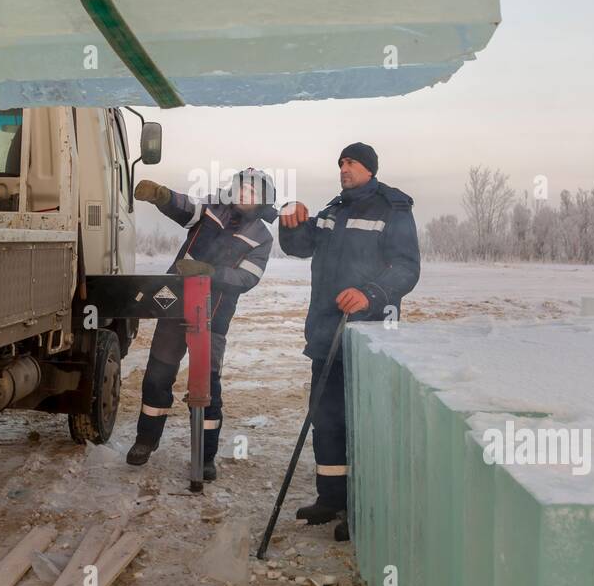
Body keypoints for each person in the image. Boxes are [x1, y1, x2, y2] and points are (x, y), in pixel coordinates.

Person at [278, 143, 420, 540]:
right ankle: (331, 498)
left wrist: (370, 293)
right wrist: (290, 222)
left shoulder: (393, 209)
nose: (343, 168)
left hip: (369, 335)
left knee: (363, 424)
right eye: (340, 162)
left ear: (370, 169)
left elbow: (407, 268)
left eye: (351, 162)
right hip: (326, 333)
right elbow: (299, 248)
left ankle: (364, 508)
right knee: (326, 420)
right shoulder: (333, 211)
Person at [126, 168, 278, 480]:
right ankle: (146, 440)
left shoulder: (261, 237)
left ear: (263, 200)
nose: (244, 194)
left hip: (213, 316)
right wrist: (162, 196)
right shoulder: (212, 209)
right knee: (157, 376)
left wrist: (209, 272)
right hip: (175, 306)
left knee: (206, 388)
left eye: (252, 191)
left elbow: (248, 278)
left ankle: (205, 456)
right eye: (241, 188)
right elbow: (184, 206)